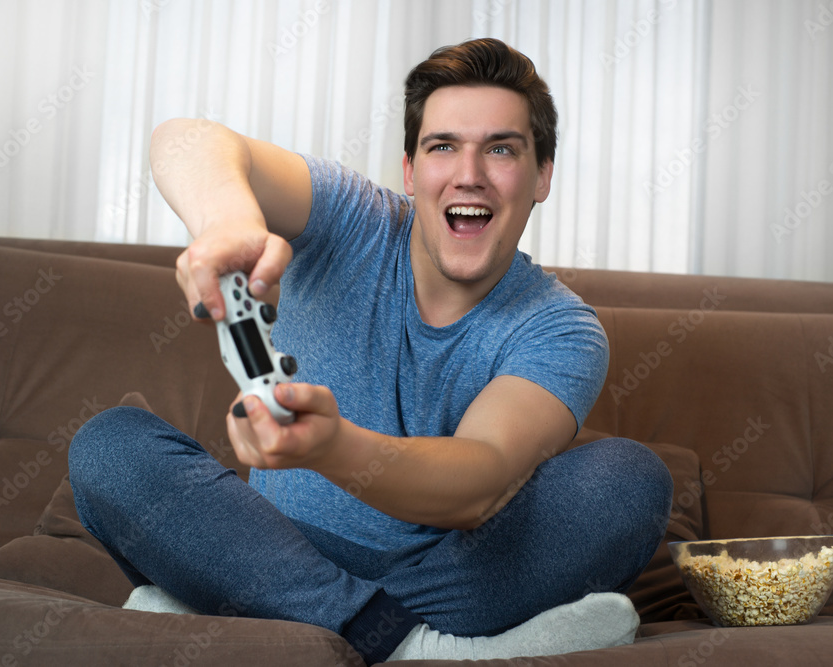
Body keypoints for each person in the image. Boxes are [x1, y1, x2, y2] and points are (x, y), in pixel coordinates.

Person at [69, 37, 673, 663]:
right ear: (410, 170)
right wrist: (230, 226)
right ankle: (417, 649)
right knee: (112, 447)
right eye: (443, 146)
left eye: (500, 149)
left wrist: (333, 448)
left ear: (542, 174)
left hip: (443, 575)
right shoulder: (351, 216)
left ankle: (264, 616)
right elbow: (186, 140)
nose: (469, 173)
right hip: (271, 546)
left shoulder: (561, 327)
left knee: (628, 482)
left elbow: (483, 477)